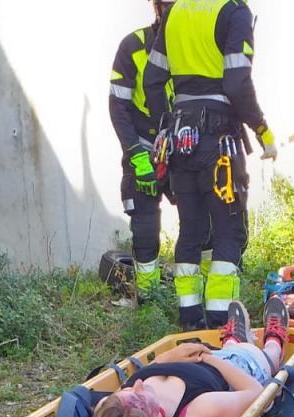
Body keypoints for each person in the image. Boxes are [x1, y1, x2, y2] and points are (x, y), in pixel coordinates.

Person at [144, 0, 277, 330]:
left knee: (190, 230)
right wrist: (262, 129)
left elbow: (152, 80)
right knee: (228, 230)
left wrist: (166, 126)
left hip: (180, 141)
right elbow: (236, 83)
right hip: (219, 142)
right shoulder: (234, 11)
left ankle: (190, 319)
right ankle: (221, 322)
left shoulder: (174, 12)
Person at [86, 297, 289, 417]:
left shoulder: (116, 410)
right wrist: (208, 358)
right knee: (259, 356)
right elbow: (255, 393)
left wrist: (169, 357)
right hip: (239, 367)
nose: (137, 383)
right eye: (139, 396)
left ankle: (233, 339)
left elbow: (136, 386)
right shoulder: (198, 414)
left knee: (229, 347)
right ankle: (274, 344)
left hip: (200, 358)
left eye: (128, 389)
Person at [109, 1, 174, 301]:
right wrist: (137, 156)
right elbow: (118, 107)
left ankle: (200, 299)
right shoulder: (133, 46)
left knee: (206, 226)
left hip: (185, 147)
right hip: (145, 147)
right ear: (156, 7)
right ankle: (148, 298)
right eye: (167, 4)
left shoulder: (194, 44)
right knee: (146, 227)